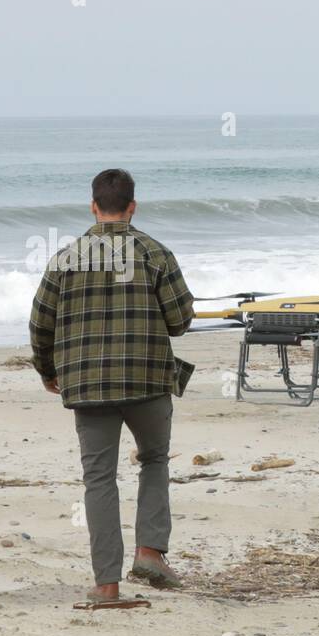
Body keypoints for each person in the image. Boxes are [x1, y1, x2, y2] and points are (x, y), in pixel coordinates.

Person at [30, 169, 196, 606]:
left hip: (87, 386)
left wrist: (48, 372)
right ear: (132, 206)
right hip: (148, 381)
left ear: (92, 207)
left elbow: (40, 324)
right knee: (155, 460)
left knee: (99, 479)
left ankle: (107, 585)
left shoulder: (64, 259)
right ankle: (150, 552)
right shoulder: (154, 253)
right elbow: (180, 321)